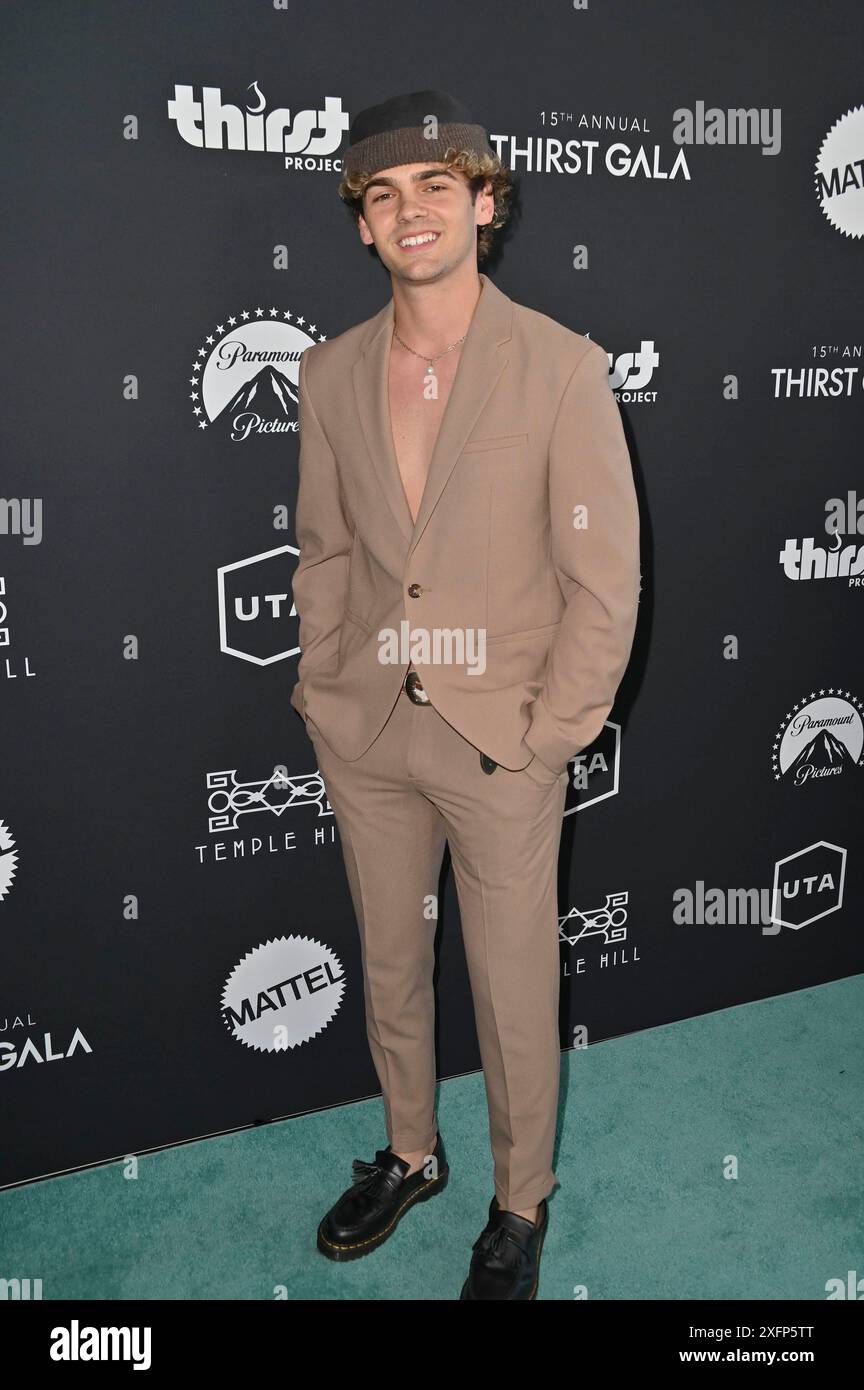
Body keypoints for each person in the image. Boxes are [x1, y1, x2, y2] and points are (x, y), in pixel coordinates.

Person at [290, 89, 640, 1299]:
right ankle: (408, 1152)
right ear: (363, 226)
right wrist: (324, 689)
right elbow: (325, 549)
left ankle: (517, 1199)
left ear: (484, 205)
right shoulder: (330, 374)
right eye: (383, 194)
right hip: (369, 725)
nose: (410, 211)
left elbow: (604, 577)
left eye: (437, 186)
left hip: (502, 740)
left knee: (510, 987)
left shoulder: (559, 366)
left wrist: (553, 735)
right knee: (392, 963)